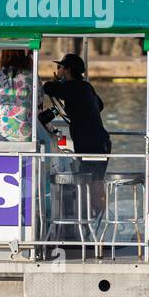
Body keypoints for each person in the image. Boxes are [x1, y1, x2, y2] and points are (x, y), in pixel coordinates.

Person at [43, 53, 111, 211]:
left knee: (93, 185)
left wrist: (56, 82)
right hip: (97, 142)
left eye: (59, 67)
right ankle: (93, 221)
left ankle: (98, 218)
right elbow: (100, 105)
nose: (57, 69)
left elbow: (48, 87)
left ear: (67, 70)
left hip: (92, 144)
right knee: (92, 183)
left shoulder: (73, 87)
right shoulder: (84, 87)